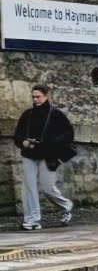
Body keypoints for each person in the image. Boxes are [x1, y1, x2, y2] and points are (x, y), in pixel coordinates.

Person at [12, 84, 75, 230]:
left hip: (48, 154)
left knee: (47, 187)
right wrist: (24, 142)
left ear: (46, 96)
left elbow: (68, 134)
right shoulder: (27, 115)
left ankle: (66, 205)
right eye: (33, 97)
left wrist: (49, 143)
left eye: (38, 96)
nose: (35, 100)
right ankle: (32, 219)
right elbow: (17, 135)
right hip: (29, 154)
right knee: (29, 187)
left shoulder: (56, 114)